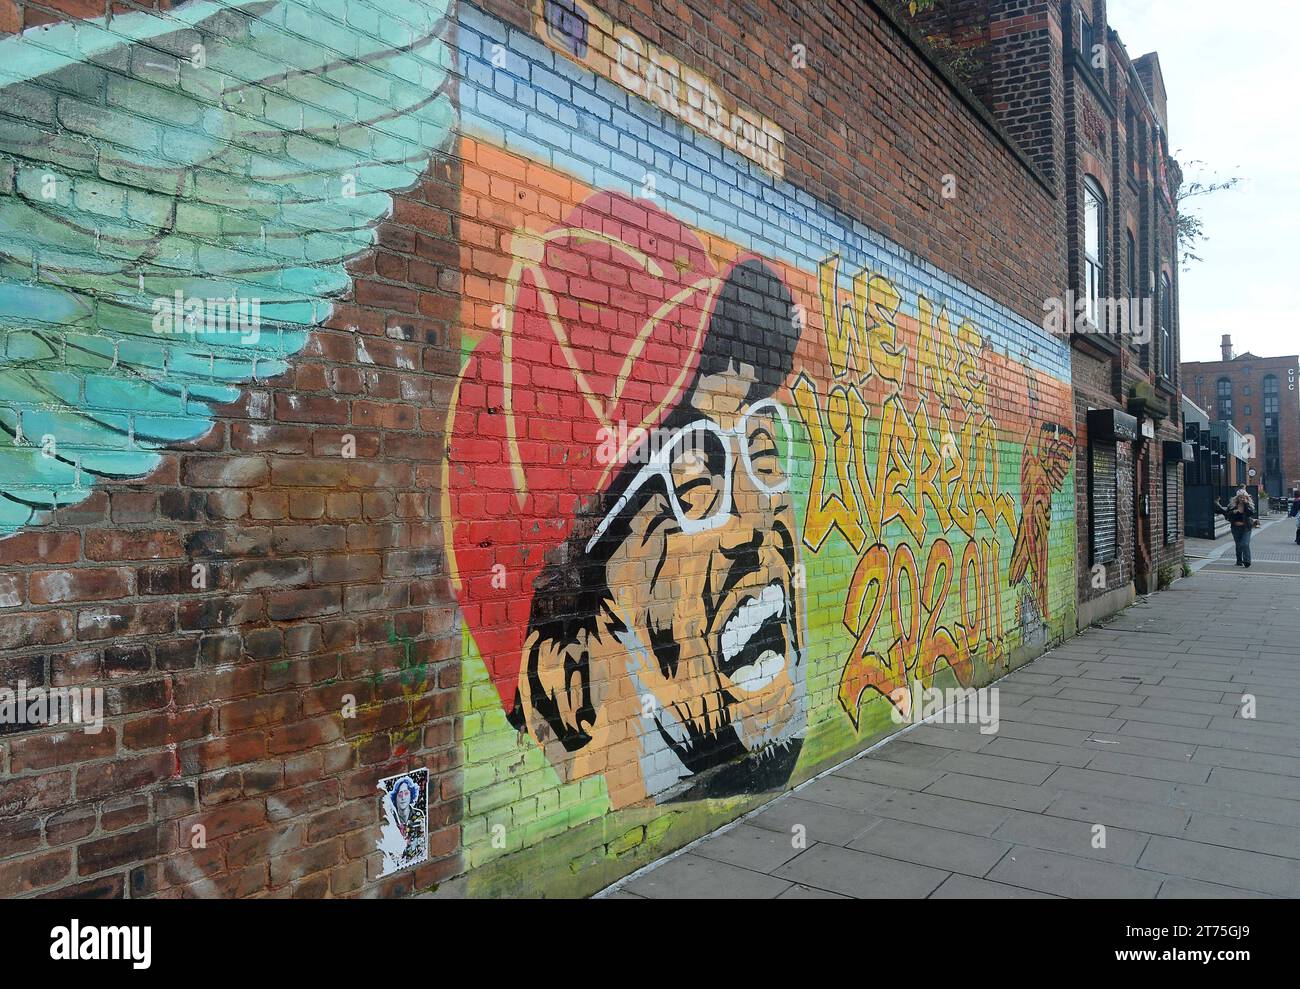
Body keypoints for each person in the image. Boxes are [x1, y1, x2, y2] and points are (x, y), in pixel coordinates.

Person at [1216, 488, 1258, 567]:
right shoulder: (1232, 506)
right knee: (1238, 545)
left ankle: (1247, 561)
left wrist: (1246, 504)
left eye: (1244, 497)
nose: (1242, 498)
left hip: (1246, 528)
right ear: (1237, 497)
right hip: (1236, 528)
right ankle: (1239, 561)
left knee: (1245, 543)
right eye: (1241, 497)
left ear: (1246, 497)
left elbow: (1251, 513)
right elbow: (1227, 515)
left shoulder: (1249, 505)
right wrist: (1233, 512)